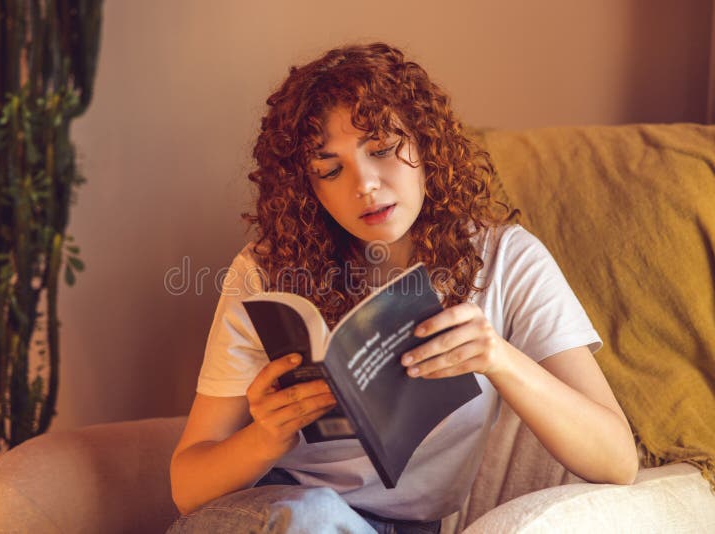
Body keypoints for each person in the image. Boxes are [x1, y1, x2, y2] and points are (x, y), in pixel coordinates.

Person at [167, 42, 638, 533]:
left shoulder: (507, 260)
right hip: (272, 514)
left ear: (425, 144)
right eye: (330, 169)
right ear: (309, 187)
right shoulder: (263, 272)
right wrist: (265, 438)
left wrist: (497, 357)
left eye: (383, 150)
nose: (364, 185)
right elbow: (187, 488)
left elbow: (616, 459)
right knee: (316, 518)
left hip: (408, 527)